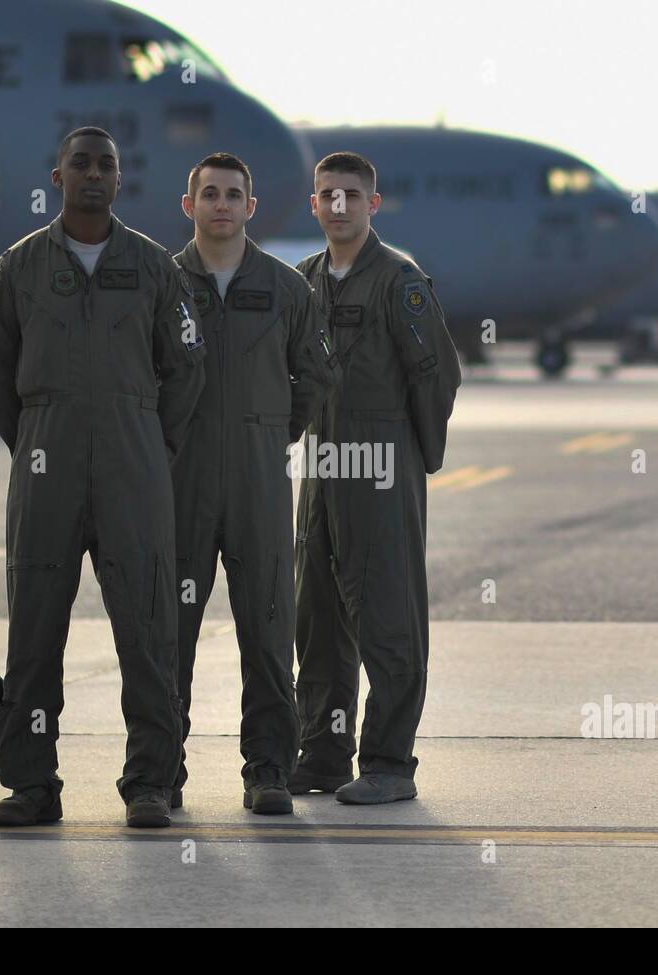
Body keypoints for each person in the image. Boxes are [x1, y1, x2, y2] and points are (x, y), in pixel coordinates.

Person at [0, 126, 205, 828]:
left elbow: (185, 368)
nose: (94, 174)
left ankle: (150, 785)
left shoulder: (157, 269)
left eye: (106, 164)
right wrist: (40, 438)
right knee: (35, 629)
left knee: (147, 627)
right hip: (46, 468)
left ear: (119, 180)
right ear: (58, 176)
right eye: (82, 164)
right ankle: (31, 785)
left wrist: (145, 442)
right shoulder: (17, 269)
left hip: (135, 468)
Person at [171, 152, 340, 815]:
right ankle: (156, 776)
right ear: (189, 206)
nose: (220, 203)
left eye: (232, 194)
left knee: (268, 633)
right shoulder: (161, 284)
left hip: (259, 482)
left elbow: (317, 376)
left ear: (250, 207)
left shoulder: (285, 289)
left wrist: (273, 431)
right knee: (166, 634)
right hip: (178, 484)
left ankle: (268, 771)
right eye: (208, 193)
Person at [291, 151, 461, 804]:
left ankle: (390, 763)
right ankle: (323, 755)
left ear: (372, 204)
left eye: (352, 195)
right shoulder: (300, 282)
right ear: (315, 205)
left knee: (388, 615)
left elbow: (436, 376)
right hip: (320, 469)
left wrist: (411, 458)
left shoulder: (400, 281)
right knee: (319, 618)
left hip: (382, 468)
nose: (339, 206)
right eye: (328, 194)